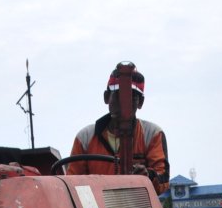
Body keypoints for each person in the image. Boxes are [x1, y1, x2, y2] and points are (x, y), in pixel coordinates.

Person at [68, 64, 170, 194]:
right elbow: (71, 183)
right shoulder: (85, 138)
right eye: (118, 95)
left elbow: (163, 180)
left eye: (132, 96)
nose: (124, 102)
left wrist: (148, 176)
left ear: (140, 102)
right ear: (106, 97)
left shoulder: (153, 135)